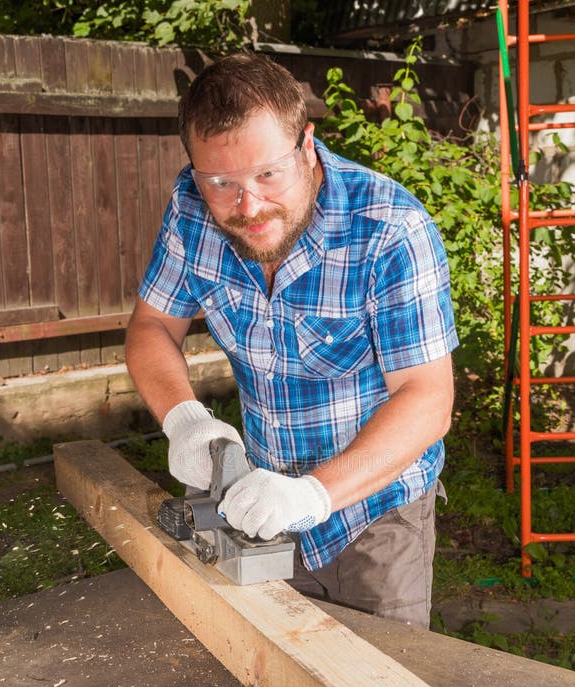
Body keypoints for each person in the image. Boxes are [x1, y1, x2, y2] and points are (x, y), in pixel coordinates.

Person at [125, 52, 457, 629]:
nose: (247, 206)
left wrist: (313, 495)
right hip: (255, 499)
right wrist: (184, 420)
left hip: (375, 512)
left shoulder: (389, 229)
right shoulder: (191, 210)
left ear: (306, 145)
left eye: (267, 175)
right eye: (221, 182)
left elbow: (428, 400)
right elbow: (152, 326)